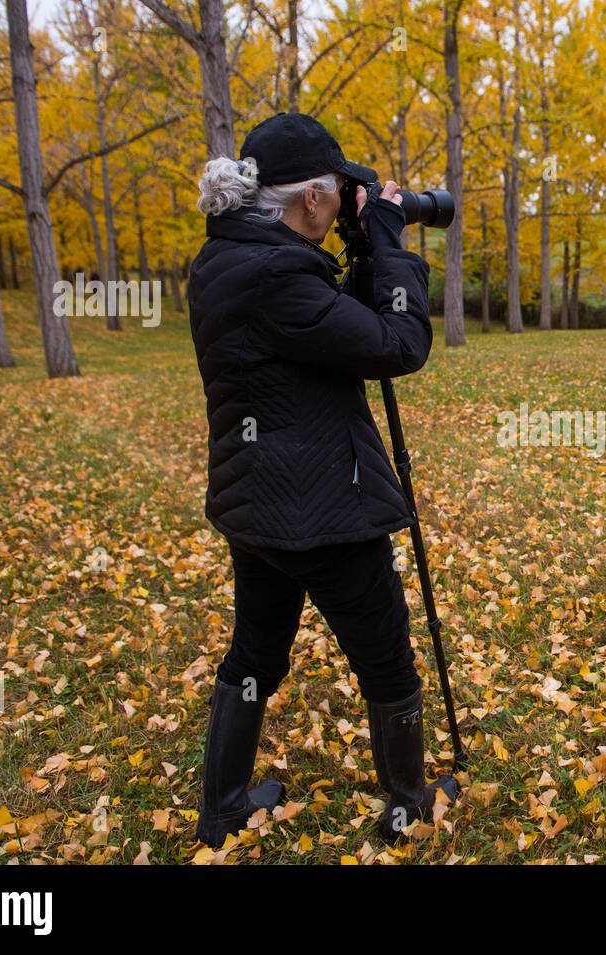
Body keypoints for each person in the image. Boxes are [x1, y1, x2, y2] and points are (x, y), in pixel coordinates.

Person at [186, 112, 458, 849]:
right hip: (323, 510)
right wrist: (392, 241)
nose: (344, 200)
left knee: (256, 653)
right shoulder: (279, 275)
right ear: (311, 198)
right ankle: (407, 804)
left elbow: (338, 329)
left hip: (258, 508)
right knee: (387, 660)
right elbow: (398, 343)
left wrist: (367, 245)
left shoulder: (225, 259)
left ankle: (223, 807)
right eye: (338, 191)